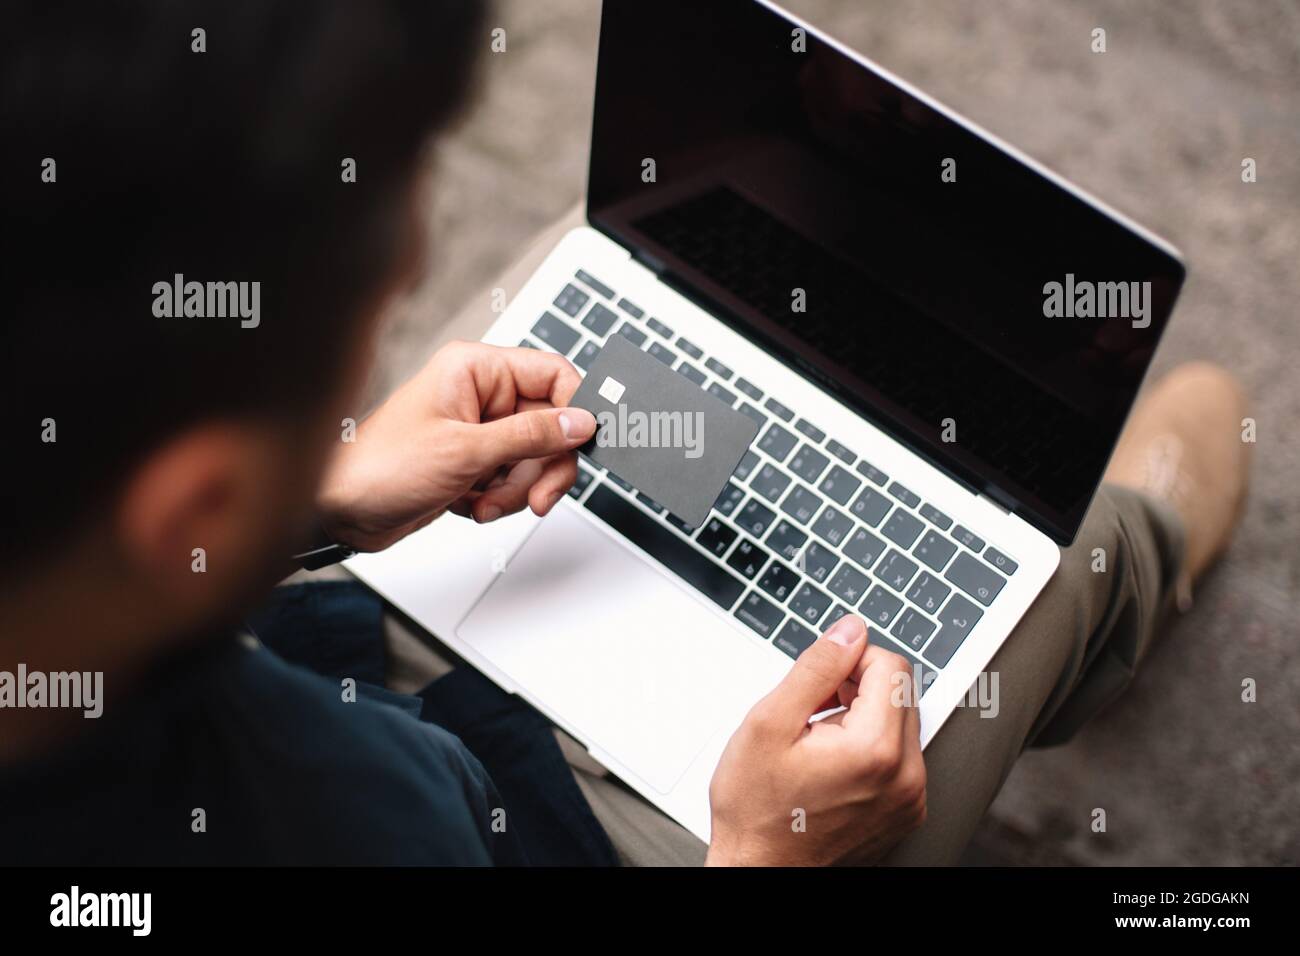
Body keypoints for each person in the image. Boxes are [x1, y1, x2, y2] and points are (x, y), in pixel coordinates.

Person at [0, 1, 1250, 866]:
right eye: (384, 255)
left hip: (316, 629)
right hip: (578, 831)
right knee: (1069, 551)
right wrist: (763, 851)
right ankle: (1141, 552)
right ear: (194, 500)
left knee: (639, 251)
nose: (419, 253)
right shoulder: (340, 822)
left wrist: (312, 506)